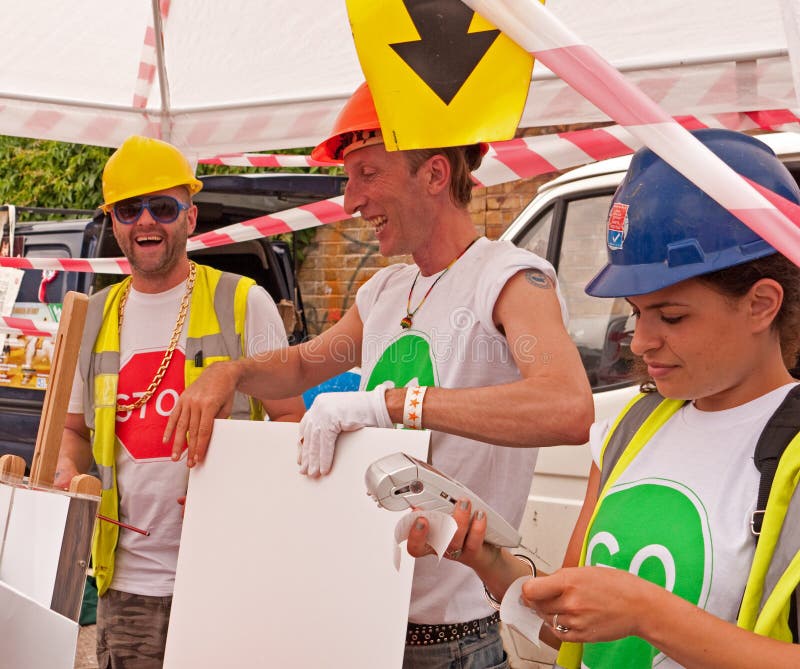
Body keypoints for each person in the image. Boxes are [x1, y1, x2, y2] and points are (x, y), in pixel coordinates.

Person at [164, 82, 594, 668]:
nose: (350, 200)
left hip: (452, 640)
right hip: (363, 617)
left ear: (435, 175)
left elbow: (567, 408)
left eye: (367, 174)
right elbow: (301, 364)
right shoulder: (386, 288)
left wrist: (393, 406)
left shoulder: (512, 278)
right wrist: (231, 372)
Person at [407, 129, 800, 667]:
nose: (640, 342)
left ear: (761, 305)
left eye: (672, 316)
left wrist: (648, 615)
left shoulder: (791, 452)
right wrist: (491, 563)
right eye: (637, 313)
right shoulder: (629, 431)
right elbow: (573, 632)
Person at [55, 135, 305, 669]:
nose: (146, 221)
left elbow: (291, 424)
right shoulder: (93, 317)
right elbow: (72, 432)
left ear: (190, 218)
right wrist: (65, 474)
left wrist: (242, 490)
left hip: (230, 572)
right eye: (129, 209)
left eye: (163, 207)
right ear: (113, 223)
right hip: (128, 585)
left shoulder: (243, 303)